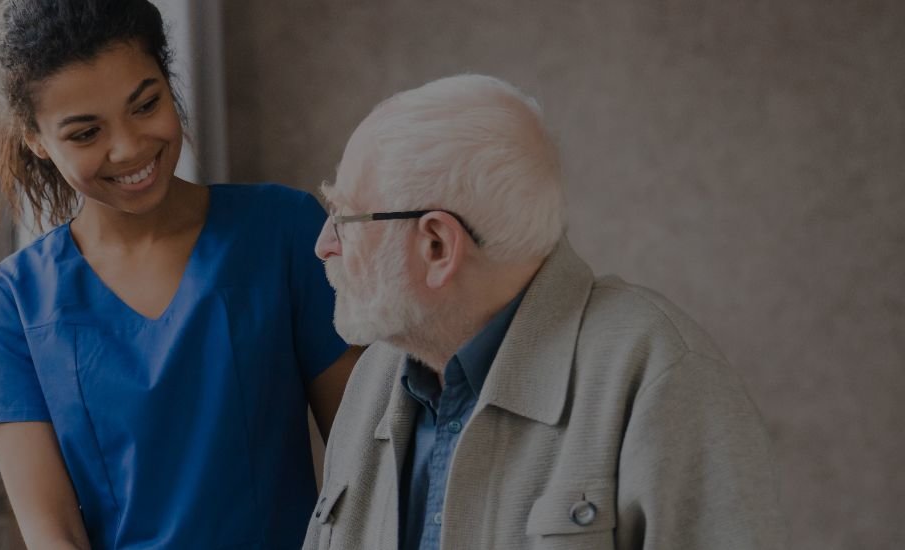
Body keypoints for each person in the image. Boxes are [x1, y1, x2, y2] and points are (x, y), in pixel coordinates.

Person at [303, 74, 784, 550]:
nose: (325, 245)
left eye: (345, 218)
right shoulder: (374, 378)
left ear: (436, 245)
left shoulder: (662, 376)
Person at [0, 1, 362, 548]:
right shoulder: (12, 303)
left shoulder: (285, 232)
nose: (130, 147)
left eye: (146, 105)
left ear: (169, 83)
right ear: (37, 141)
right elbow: (55, 537)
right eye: (86, 133)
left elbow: (364, 469)